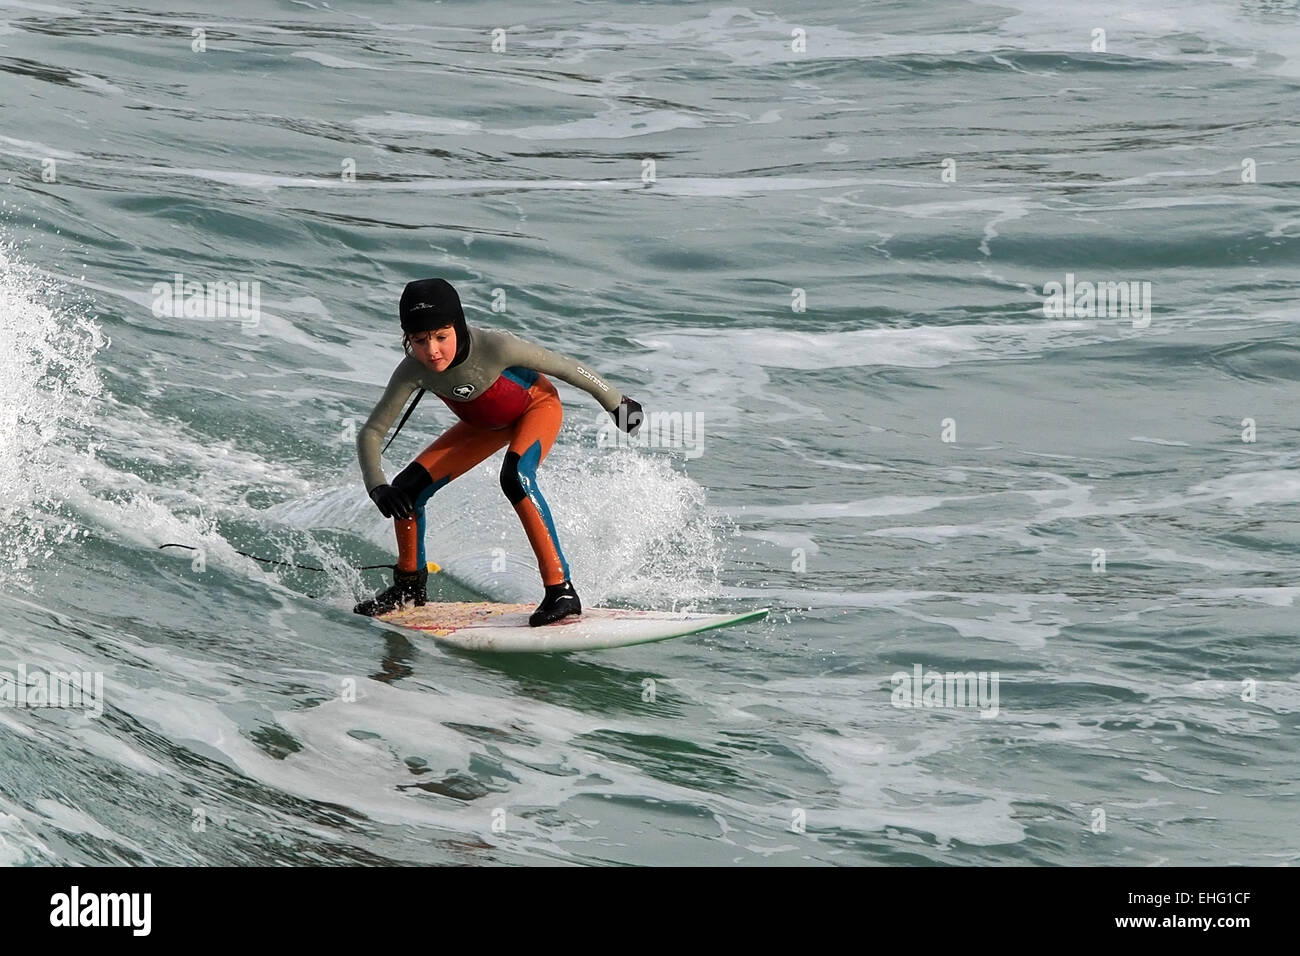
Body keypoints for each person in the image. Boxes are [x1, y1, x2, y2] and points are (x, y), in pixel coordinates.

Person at [354, 278, 643, 626]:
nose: (432, 351)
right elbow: (372, 432)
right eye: (420, 340)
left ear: (458, 327)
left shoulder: (495, 347)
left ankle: (561, 591)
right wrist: (377, 486)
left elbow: (566, 367)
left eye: (441, 337)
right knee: (406, 490)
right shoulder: (412, 371)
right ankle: (409, 587)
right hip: (483, 426)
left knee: (516, 477)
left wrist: (616, 403)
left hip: (536, 409)